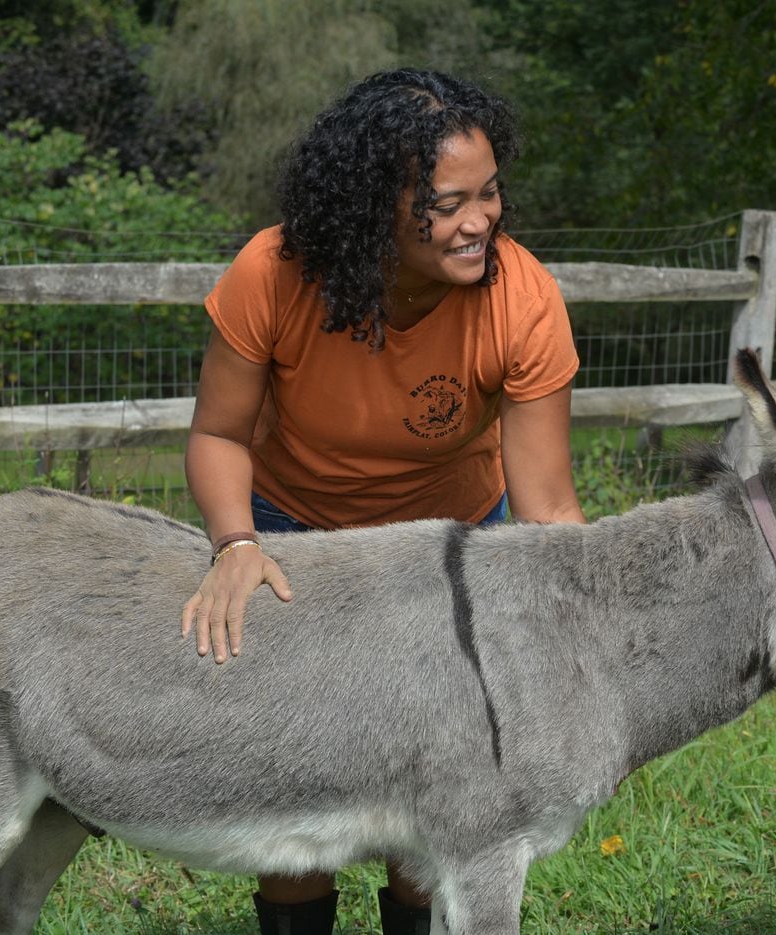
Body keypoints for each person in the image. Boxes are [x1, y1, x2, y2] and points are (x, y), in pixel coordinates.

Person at [179, 68, 586, 935]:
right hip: (294, 545)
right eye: (448, 202)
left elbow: (548, 508)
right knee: (300, 798)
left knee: (431, 805)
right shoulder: (272, 273)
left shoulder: (522, 298)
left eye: (491, 193)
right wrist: (235, 544)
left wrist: (591, 652)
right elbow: (218, 436)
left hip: (443, 554)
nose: (481, 220)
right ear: (374, 208)